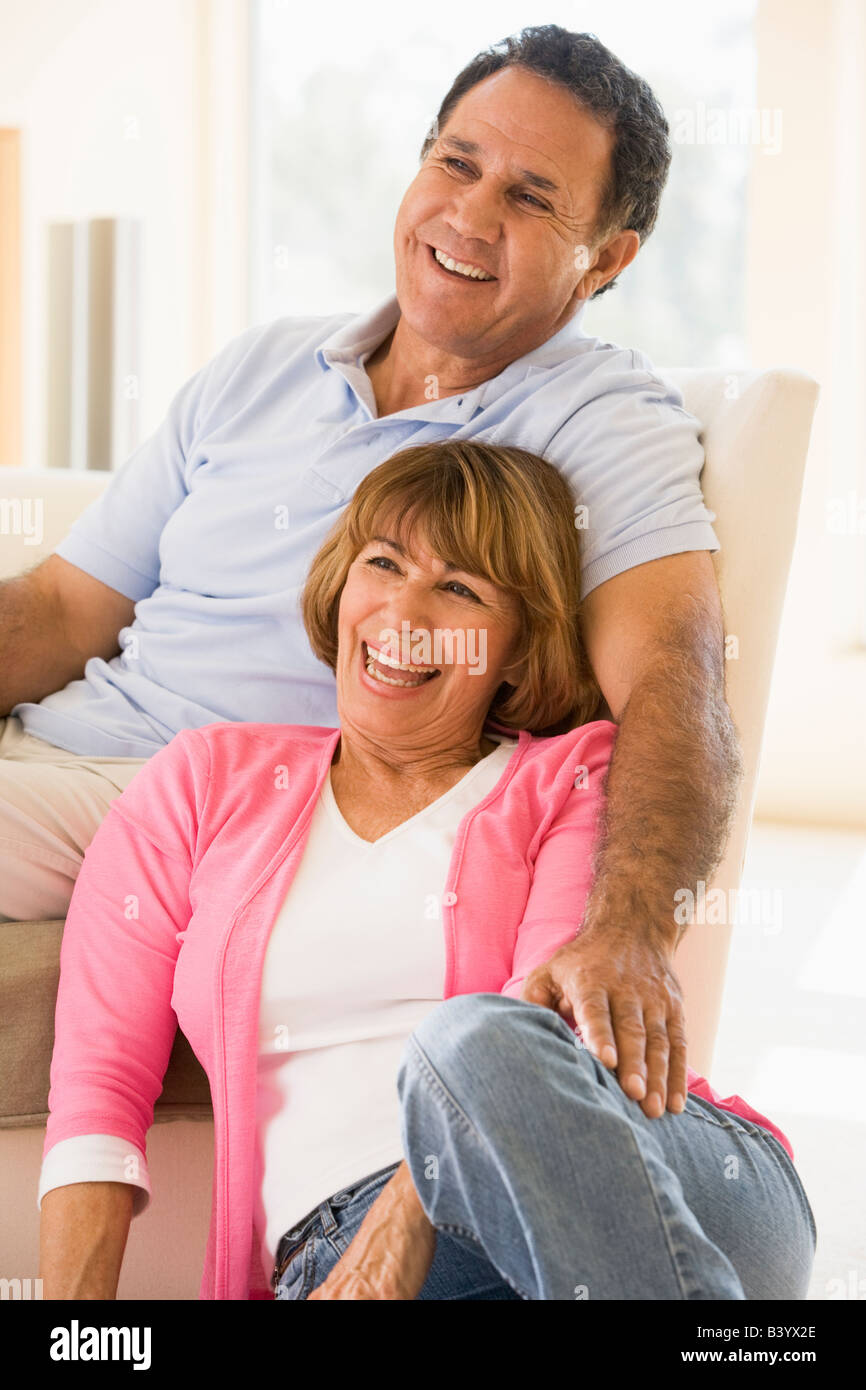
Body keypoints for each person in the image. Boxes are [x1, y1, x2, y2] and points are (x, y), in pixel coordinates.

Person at [3, 25, 740, 1119]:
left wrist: (629, 933)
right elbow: (65, 606)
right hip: (55, 760)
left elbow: (675, 689)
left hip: (222, 808)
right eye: (455, 161)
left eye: (532, 198)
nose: (469, 215)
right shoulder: (264, 362)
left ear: (609, 258)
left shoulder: (596, 421)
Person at [38, 442, 816, 1301]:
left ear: (519, 651)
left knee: (480, 1039)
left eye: (460, 589)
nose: (405, 610)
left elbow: (546, 1033)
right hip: (349, 1251)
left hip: (672, 1177)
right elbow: (98, 1085)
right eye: (384, 562)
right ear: (341, 588)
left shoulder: (574, 777)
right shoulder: (200, 781)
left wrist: (407, 1214)